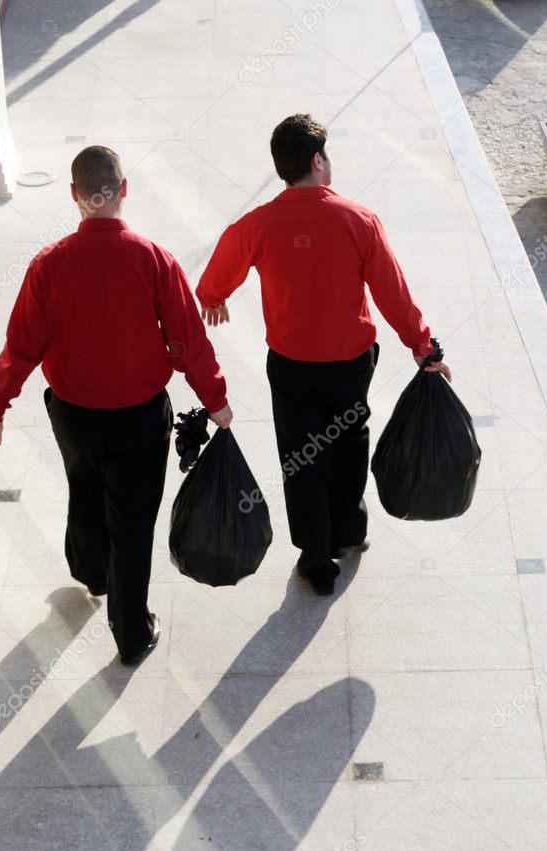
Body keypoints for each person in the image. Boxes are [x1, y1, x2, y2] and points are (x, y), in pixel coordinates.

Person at [0, 145, 233, 664]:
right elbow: (187, 340)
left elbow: (21, 344)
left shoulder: (48, 265)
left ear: (75, 196)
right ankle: (132, 633)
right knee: (134, 521)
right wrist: (216, 399)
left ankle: (93, 573)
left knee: (86, 489)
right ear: (123, 190)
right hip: (139, 417)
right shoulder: (154, 259)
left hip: (73, 416)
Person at [196, 113, 450, 595]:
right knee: (350, 442)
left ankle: (315, 558)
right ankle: (348, 532)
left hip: (291, 365)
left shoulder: (257, 225)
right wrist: (423, 347)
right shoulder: (359, 220)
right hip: (351, 362)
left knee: (301, 456)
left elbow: (213, 280)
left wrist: (215, 298)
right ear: (317, 160)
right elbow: (393, 294)